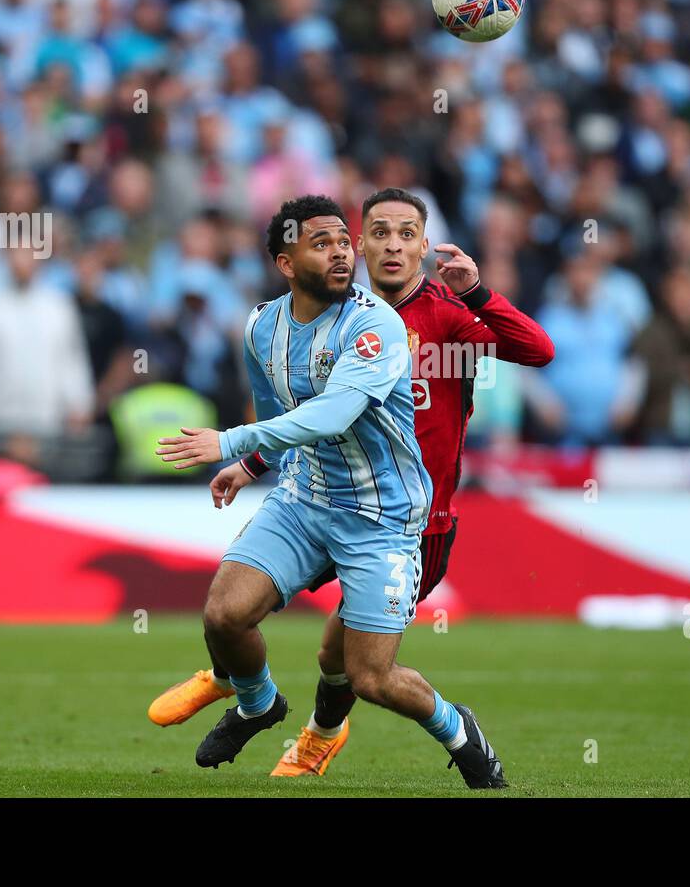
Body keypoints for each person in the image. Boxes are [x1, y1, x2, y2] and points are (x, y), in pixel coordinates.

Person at [150, 194, 507, 788]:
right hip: (304, 499)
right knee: (223, 616)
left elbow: (332, 414)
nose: (343, 253)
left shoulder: (376, 325)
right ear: (286, 264)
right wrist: (255, 464)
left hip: (381, 516)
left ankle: (458, 729)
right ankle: (259, 704)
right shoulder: (263, 326)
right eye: (323, 244)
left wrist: (231, 443)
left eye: (345, 241)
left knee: (370, 678)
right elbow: (281, 411)